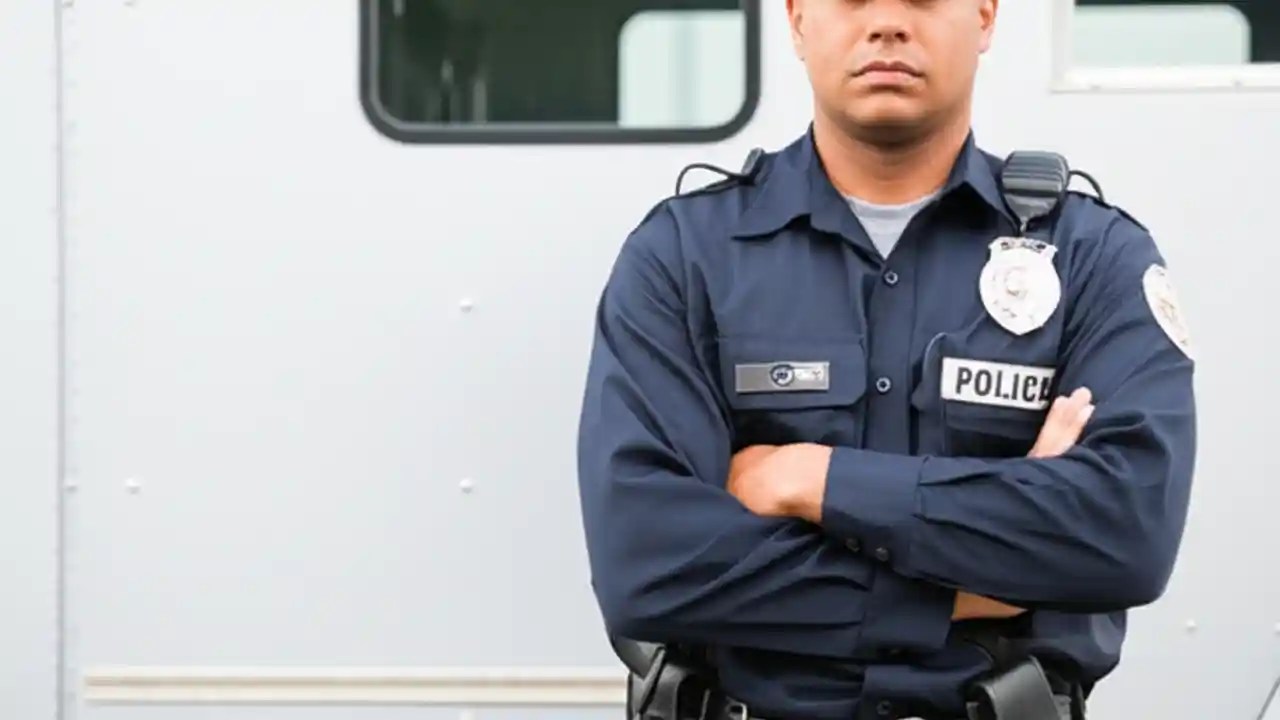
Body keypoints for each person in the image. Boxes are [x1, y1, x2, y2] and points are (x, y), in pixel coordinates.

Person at [574, 0, 1197, 718]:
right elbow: (646, 565)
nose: (888, 23)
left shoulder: (1092, 257)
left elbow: (1125, 534)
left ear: (985, 16)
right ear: (798, 19)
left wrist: (811, 478)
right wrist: (969, 588)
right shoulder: (684, 255)